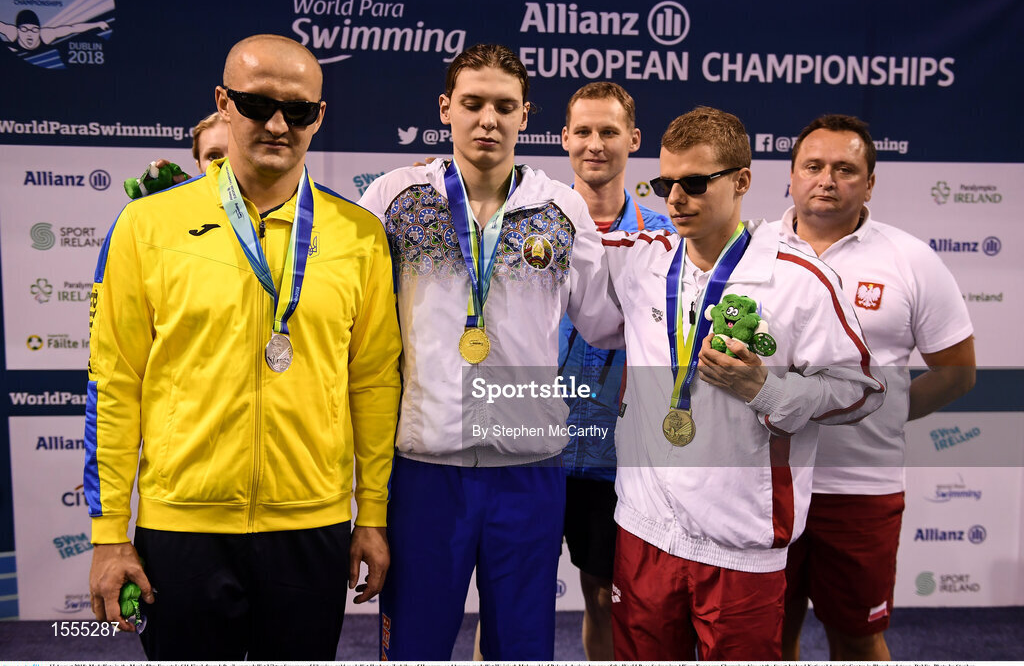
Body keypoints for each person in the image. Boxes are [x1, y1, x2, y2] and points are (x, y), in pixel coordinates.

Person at [84, 34, 401, 660]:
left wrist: (372, 514)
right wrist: (107, 535)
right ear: (224, 103)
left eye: (299, 110)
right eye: (257, 105)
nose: (278, 124)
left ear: (320, 116)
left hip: (312, 524)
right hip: (184, 526)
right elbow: (114, 381)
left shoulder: (360, 236)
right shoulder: (147, 226)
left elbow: (372, 382)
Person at [358, 44, 621, 661]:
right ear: (445, 109)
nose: (488, 120)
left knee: (522, 647)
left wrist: (681, 278)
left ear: (525, 116)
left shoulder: (561, 206)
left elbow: (606, 321)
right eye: (472, 104)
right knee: (416, 647)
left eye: (505, 106)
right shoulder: (395, 198)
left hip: (529, 470)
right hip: (424, 468)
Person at [603, 106, 885, 660]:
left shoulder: (801, 280)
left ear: (742, 181)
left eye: (693, 183)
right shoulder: (640, 262)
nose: (676, 199)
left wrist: (769, 391)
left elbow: (862, 389)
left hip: (739, 543)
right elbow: (569, 232)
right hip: (643, 531)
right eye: (665, 184)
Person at [777, 114, 976, 661]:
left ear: (869, 183)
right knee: (767, 640)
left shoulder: (910, 259)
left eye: (846, 169)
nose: (827, 179)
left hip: (861, 488)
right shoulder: (748, 251)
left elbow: (958, 373)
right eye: (813, 166)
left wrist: (878, 411)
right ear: (790, 176)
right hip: (763, 483)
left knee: (858, 639)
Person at [558, 81, 671, 660]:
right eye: (583, 131)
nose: (595, 144)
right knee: (511, 596)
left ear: (634, 139)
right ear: (564, 138)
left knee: (605, 600)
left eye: (608, 131)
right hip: (531, 451)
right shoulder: (530, 224)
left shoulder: (668, 238)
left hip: (616, 462)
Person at [0, 9, 108, 51]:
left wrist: (97, 24)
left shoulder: (46, 35)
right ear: (18, 30)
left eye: (34, 30)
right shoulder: (11, 33)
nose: (29, 34)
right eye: (24, 29)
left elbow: (72, 29)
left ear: (39, 30)